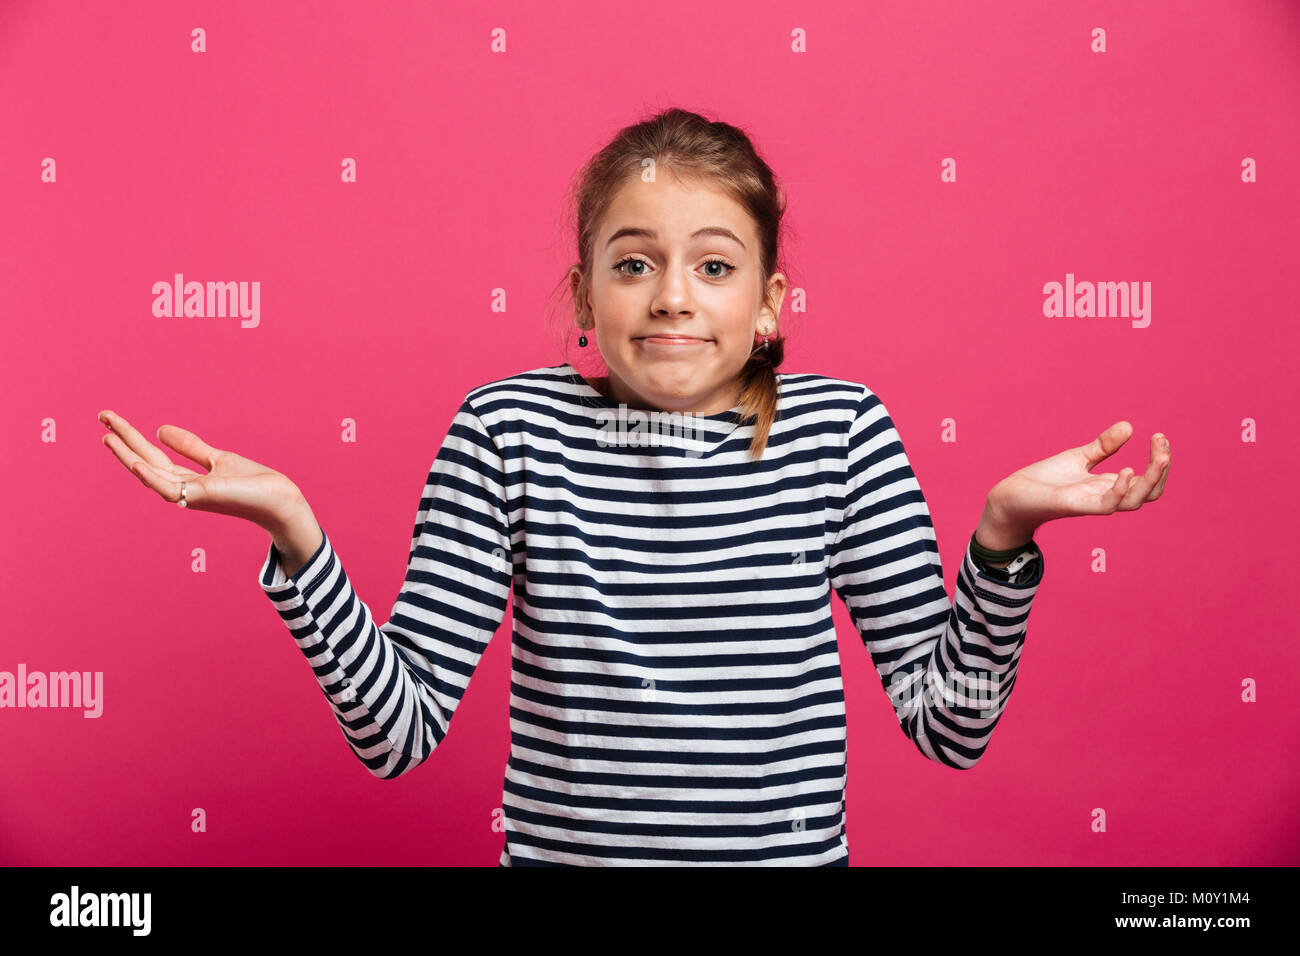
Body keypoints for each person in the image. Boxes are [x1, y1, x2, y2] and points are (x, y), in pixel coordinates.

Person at [98, 107, 1171, 866]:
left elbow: (949, 724)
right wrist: (296, 535)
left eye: (712, 265)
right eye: (631, 262)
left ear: (768, 302)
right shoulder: (507, 432)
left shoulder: (840, 432)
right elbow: (399, 729)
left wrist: (999, 543)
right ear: (584, 291)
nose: (670, 298)